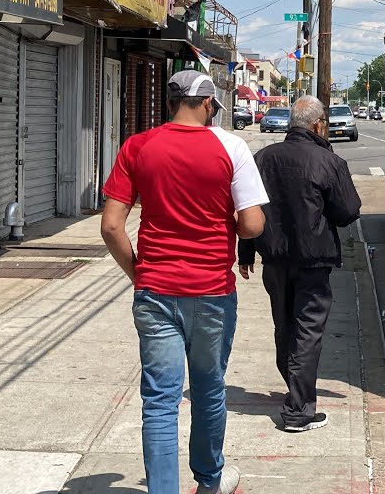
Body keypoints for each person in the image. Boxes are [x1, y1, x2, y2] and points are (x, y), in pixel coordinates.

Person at [100, 70, 268, 494]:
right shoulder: (231, 146)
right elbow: (252, 224)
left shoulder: (138, 147)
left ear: (170, 102)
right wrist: (225, 224)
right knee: (209, 390)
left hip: (155, 288)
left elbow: (111, 227)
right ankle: (209, 481)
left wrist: (139, 272)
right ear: (209, 104)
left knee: (159, 401)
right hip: (211, 289)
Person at [238, 95, 361, 432]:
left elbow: (247, 209)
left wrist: (245, 252)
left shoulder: (262, 158)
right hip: (313, 261)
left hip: (274, 261)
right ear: (319, 124)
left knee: (285, 326)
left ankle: (295, 391)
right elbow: (348, 211)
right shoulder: (326, 161)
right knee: (307, 332)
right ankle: (298, 411)